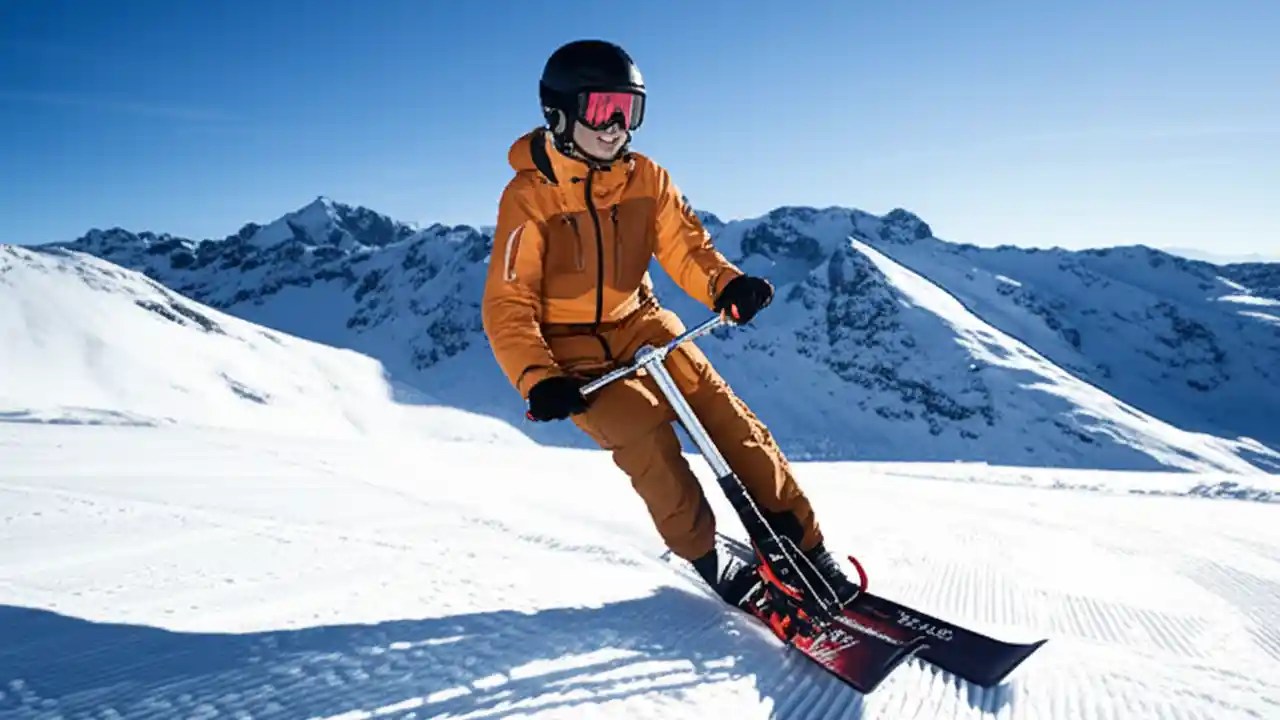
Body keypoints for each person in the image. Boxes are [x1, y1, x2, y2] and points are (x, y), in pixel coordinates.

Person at [481, 39, 859, 606]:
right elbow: (508, 302)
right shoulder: (528, 198)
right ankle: (709, 561)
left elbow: (687, 246)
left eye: (627, 111)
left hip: (643, 323)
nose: (615, 128)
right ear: (558, 113)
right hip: (571, 351)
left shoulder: (646, 179)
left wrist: (724, 283)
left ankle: (806, 548)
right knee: (645, 438)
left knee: (729, 422)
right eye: (600, 109)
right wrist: (538, 377)